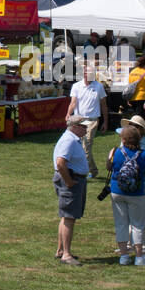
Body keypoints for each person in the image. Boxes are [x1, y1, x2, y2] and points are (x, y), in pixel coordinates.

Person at [107, 124, 145, 266]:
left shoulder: (116, 152)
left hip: (117, 190)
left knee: (121, 223)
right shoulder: (144, 154)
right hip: (136, 192)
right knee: (137, 224)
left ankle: (124, 256)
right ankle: (139, 257)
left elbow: (109, 167)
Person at [117, 114, 145, 254]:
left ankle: (143, 244)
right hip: (127, 182)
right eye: (130, 125)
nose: (132, 128)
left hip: (144, 183)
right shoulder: (123, 141)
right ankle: (129, 244)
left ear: (141, 129)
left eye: (135, 126)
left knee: (143, 215)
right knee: (126, 215)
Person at [53, 116, 90, 266]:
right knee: (69, 217)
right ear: (75, 126)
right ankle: (66, 255)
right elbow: (61, 163)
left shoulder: (72, 139)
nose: (86, 129)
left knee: (66, 216)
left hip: (72, 178)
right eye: (84, 127)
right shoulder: (69, 141)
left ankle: (61, 250)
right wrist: (69, 181)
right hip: (71, 179)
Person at [66, 61, 109, 177]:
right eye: (89, 73)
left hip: (92, 120)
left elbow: (104, 105)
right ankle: (91, 170)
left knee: (86, 147)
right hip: (78, 120)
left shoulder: (99, 86)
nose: (92, 75)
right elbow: (73, 103)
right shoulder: (76, 86)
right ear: (84, 74)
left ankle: (83, 171)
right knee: (75, 146)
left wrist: (105, 122)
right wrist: (68, 114)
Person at [124, 56, 145, 120]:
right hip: (141, 97)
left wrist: (128, 98)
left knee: (137, 116)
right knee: (140, 117)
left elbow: (129, 86)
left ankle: (143, 129)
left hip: (132, 96)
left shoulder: (132, 72)